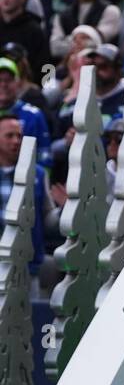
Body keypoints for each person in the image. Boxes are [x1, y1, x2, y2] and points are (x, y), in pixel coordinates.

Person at [0, 112, 53, 275]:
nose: (16, 141)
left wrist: (67, 208)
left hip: (28, 268)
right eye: (9, 136)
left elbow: (48, 218)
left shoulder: (37, 173)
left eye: (19, 136)